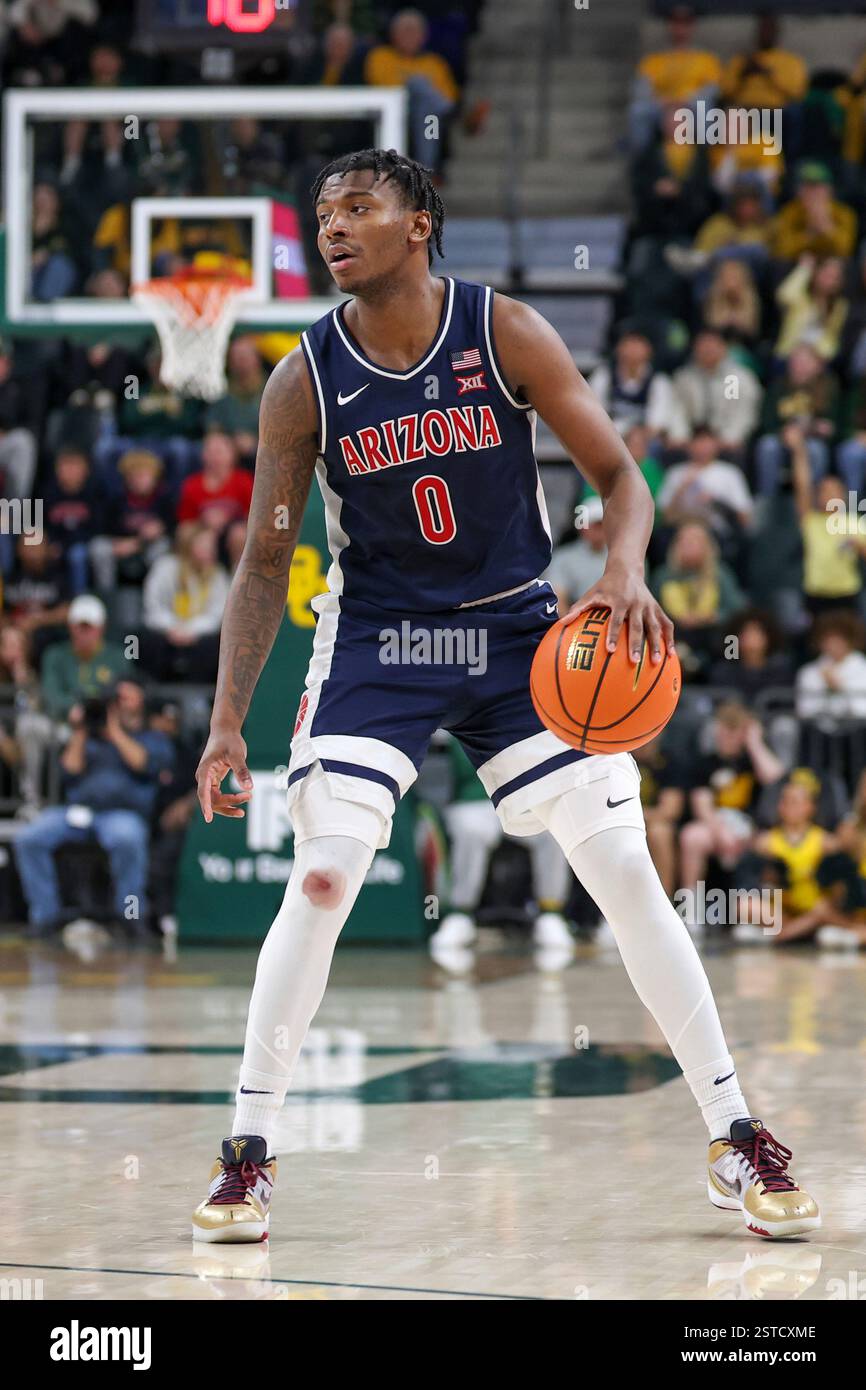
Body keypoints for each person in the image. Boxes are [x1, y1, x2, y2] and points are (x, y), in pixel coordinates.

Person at [191, 148, 819, 1244]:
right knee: (329, 868)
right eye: (324, 213)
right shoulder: (303, 380)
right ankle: (248, 1149)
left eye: (359, 208)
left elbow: (623, 479)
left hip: (517, 629)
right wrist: (224, 723)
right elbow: (260, 560)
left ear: (418, 223)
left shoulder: (502, 332)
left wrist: (621, 570)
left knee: (623, 866)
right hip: (380, 638)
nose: (334, 227)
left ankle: (733, 1132)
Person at [13, 677, 173, 937]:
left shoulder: (152, 737)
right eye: (116, 698)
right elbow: (69, 770)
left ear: (142, 700)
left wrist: (115, 732)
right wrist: (81, 730)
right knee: (29, 838)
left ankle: (131, 917)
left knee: (127, 838)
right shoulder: (89, 735)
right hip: (78, 812)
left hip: (123, 815)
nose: (118, 703)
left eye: (126, 697)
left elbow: (143, 763)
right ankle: (45, 918)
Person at [427, 738, 574, 964]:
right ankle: (460, 913)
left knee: (551, 830)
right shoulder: (460, 706)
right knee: (471, 830)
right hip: (472, 798)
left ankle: (550, 914)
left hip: (523, 798)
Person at [39, 593, 127, 722]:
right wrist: (71, 708)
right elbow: (51, 694)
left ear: (102, 627)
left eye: (89, 627)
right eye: (79, 627)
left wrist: (106, 710)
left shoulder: (118, 656)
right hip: (65, 723)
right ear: (70, 627)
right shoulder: (55, 655)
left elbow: (125, 692)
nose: (84, 633)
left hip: (110, 722)